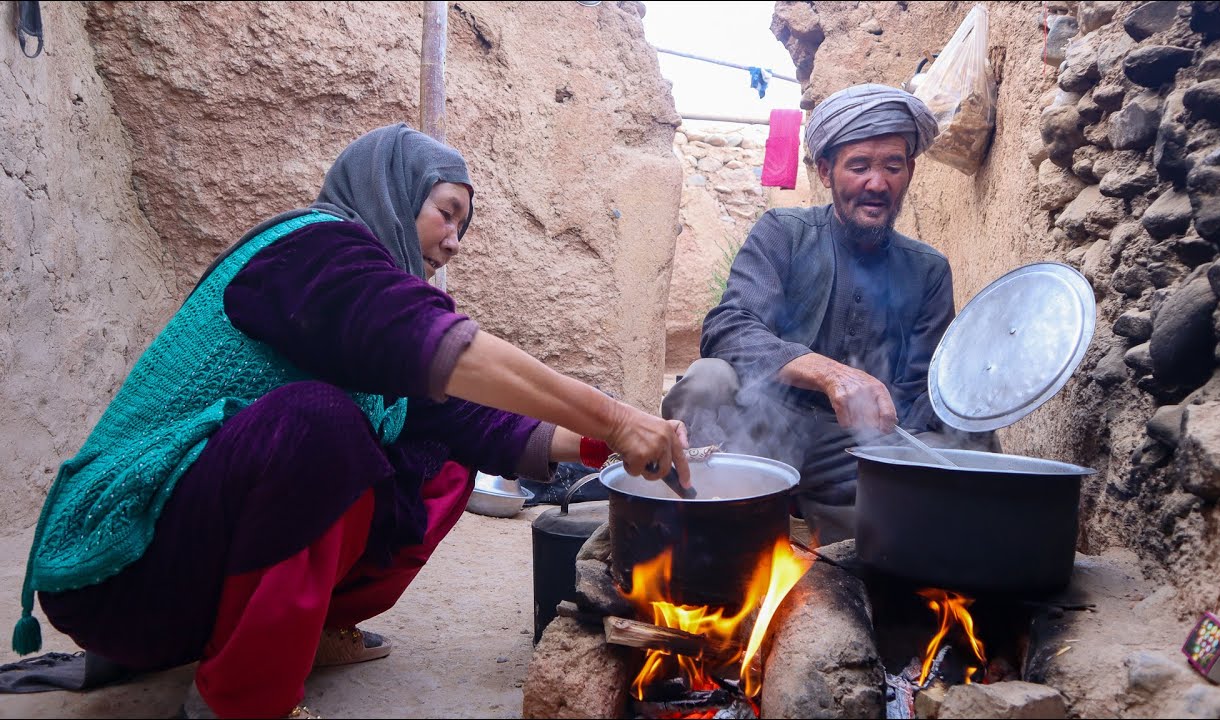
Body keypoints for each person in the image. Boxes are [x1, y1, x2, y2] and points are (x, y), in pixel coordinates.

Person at [10, 123, 689, 718]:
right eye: (446, 214)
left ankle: (307, 632)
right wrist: (620, 415)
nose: (453, 243)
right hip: (122, 571)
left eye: (463, 227)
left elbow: (479, 424)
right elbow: (430, 340)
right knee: (320, 426)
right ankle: (244, 701)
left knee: (441, 458)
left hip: (187, 574)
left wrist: (608, 448)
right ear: (393, 192)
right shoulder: (308, 251)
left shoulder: (361, 298)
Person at [662, 84, 995, 546]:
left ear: (910, 172)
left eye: (892, 167)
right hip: (762, 426)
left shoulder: (929, 271)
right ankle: (703, 528)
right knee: (707, 379)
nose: (876, 183)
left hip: (857, 452)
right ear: (825, 171)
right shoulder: (784, 234)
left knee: (947, 476)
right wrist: (827, 373)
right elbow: (729, 328)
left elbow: (923, 395)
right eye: (859, 166)